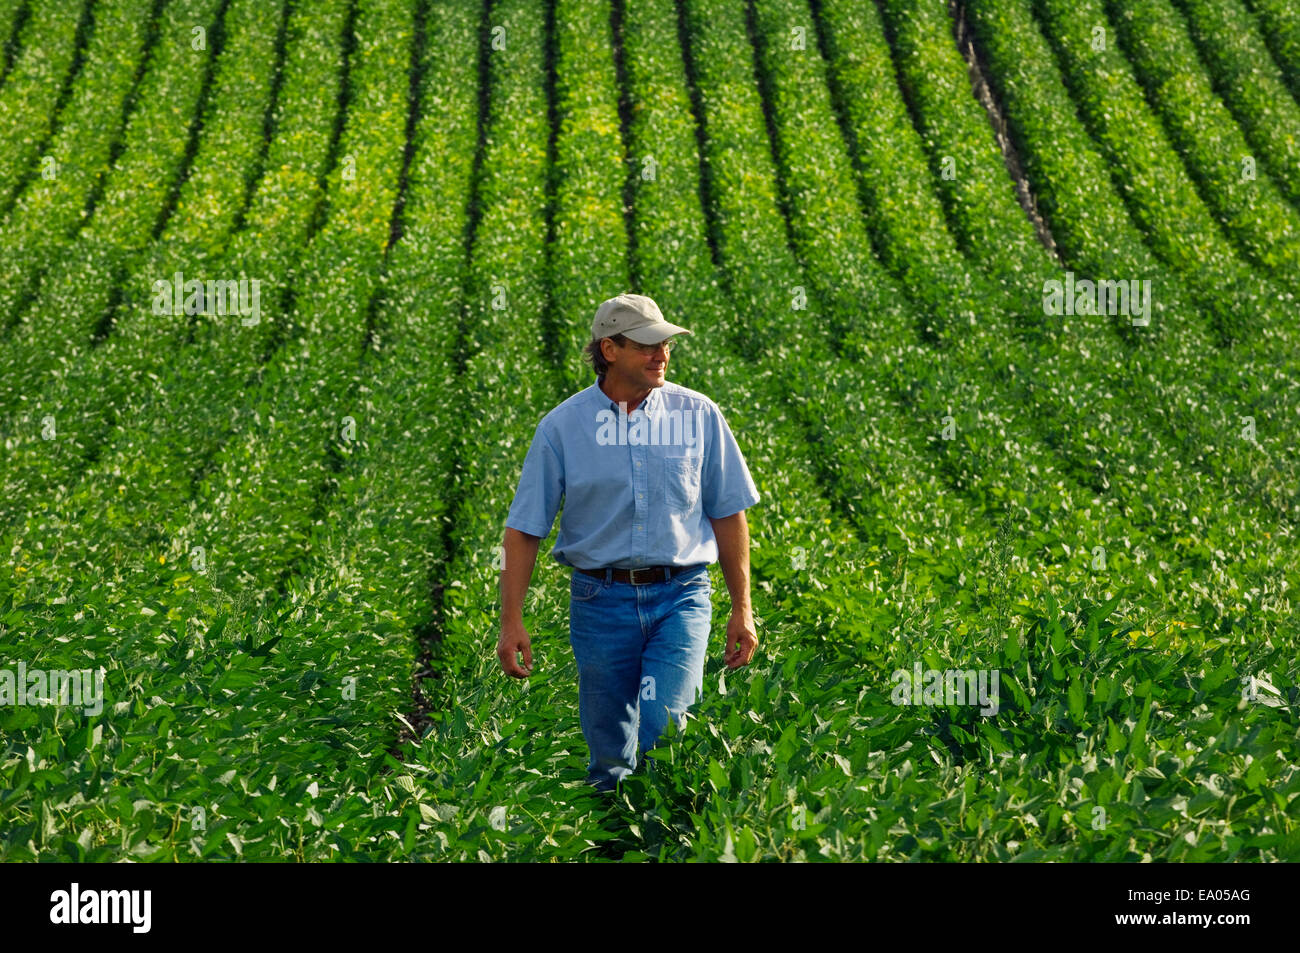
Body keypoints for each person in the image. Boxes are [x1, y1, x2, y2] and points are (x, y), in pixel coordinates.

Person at [496, 293, 760, 793]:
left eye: (665, 344)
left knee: (667, 730)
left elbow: (728, 513)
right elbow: (524, 529)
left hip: (681, 595)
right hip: (600, 600)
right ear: (609, 349)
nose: (661, 354)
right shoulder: (563, 428)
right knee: (609, 754)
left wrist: (741, 607)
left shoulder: (698, 415)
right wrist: (511, 622)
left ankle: (664, 838)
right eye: (646, 345)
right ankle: (616, 837)